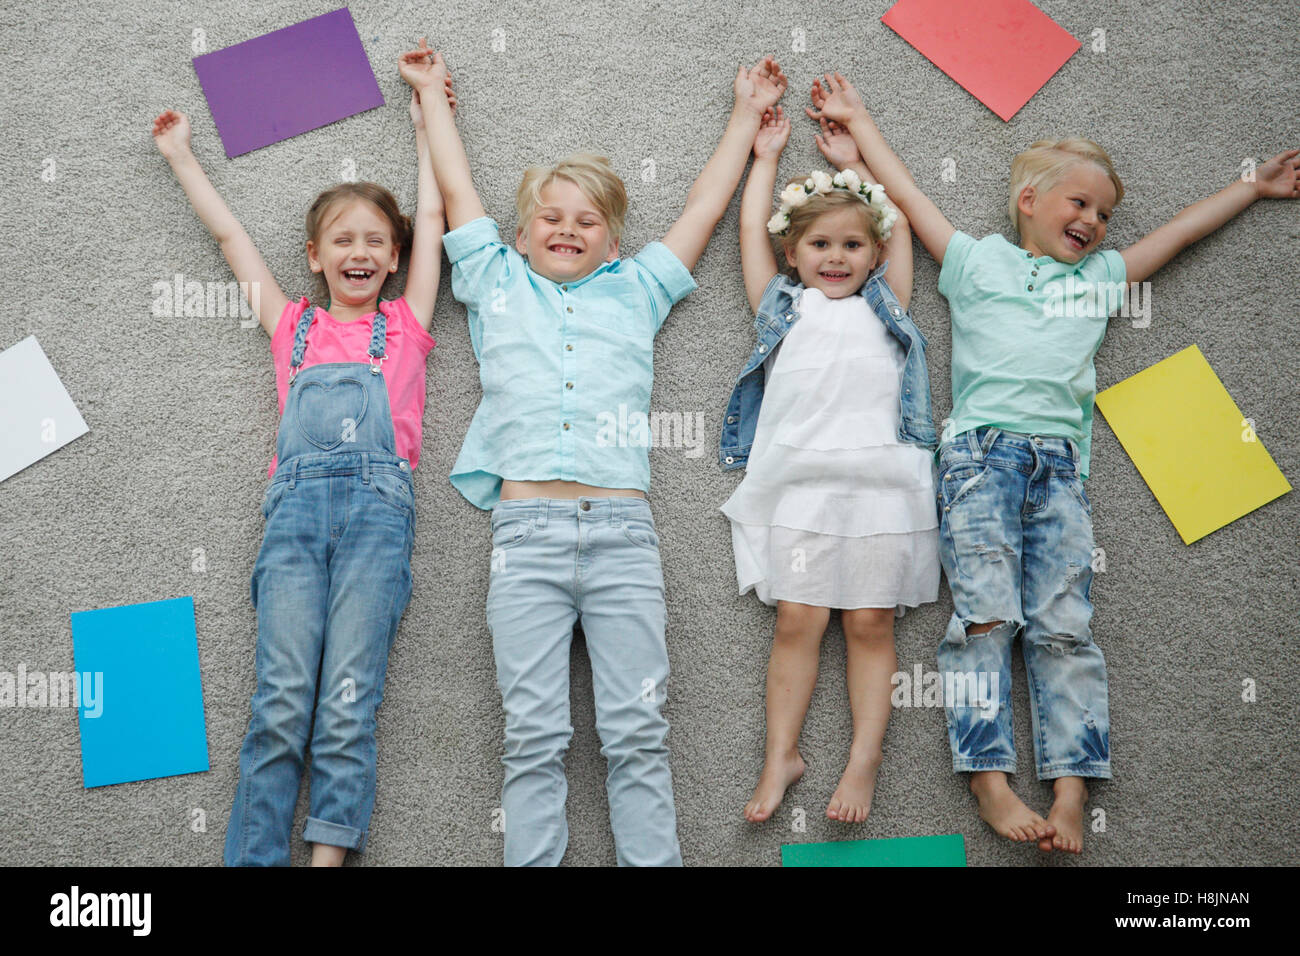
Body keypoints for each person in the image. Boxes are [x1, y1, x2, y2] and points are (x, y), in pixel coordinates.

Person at [805, 69, 1300, 852]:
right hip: (978, 458)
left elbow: (1177, 236)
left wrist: (1251, 187)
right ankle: (989, 779)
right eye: (1081, 203)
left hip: (1062, 468)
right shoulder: (973, 262)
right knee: (985, 617)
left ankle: (1070, 791)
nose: (1095, 222)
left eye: (1104, 214)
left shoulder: (1100, 280)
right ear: (1028, 201)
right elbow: (904, 196)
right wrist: (857, 124)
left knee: (1066, 627)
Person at [399, 38, 787, 865]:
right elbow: (458, 191)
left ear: (612, 242)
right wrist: (432, 96)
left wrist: (747, 116)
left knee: (637, 732)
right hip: (525, 537)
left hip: (622, 537)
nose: (567, 230)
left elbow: (704, 210)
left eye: (587, 222)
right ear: (521, 232)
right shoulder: (494, 281)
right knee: (533, 734)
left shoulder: (639, 287)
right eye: (551, 218)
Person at [151, 62, 453, 865]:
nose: (361, 252)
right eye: (343, 241)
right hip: (291, 520)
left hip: (377, 520)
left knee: (348, 702)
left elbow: (433, 208)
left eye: (376, 243)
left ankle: (326, 859)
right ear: (315, 256)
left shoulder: (409, 322)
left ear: (396, 259)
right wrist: (183, 157)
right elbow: (229, 238)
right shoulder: (293, 327)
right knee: (282, 703)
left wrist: (426, 122)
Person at [719, 108, 938, 825]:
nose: (836, 256)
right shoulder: (780, 307)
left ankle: (863, 759)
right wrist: (764, 158)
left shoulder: (889, 306)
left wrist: (862, 163)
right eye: (819, 244)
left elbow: (898, 217)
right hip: (802, 487)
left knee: (871, 623)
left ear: (876, 253)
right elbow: (752, 230)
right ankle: (781, 752)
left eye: (853, 244)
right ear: (793, 253)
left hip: (882, 485)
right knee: (798, 619)